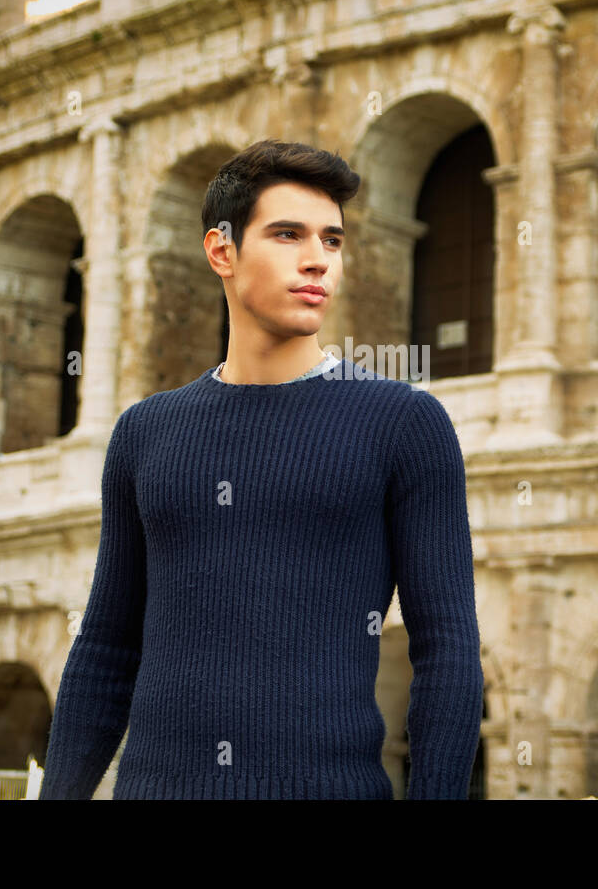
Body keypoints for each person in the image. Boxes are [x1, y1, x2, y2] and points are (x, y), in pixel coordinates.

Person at [40, 138, 484, 799]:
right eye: (287, 235)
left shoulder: (402, 423)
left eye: (332, 241)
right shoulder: (145, 432)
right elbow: (106, 648)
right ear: (222, 250)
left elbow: (446, 651)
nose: (317, 262)